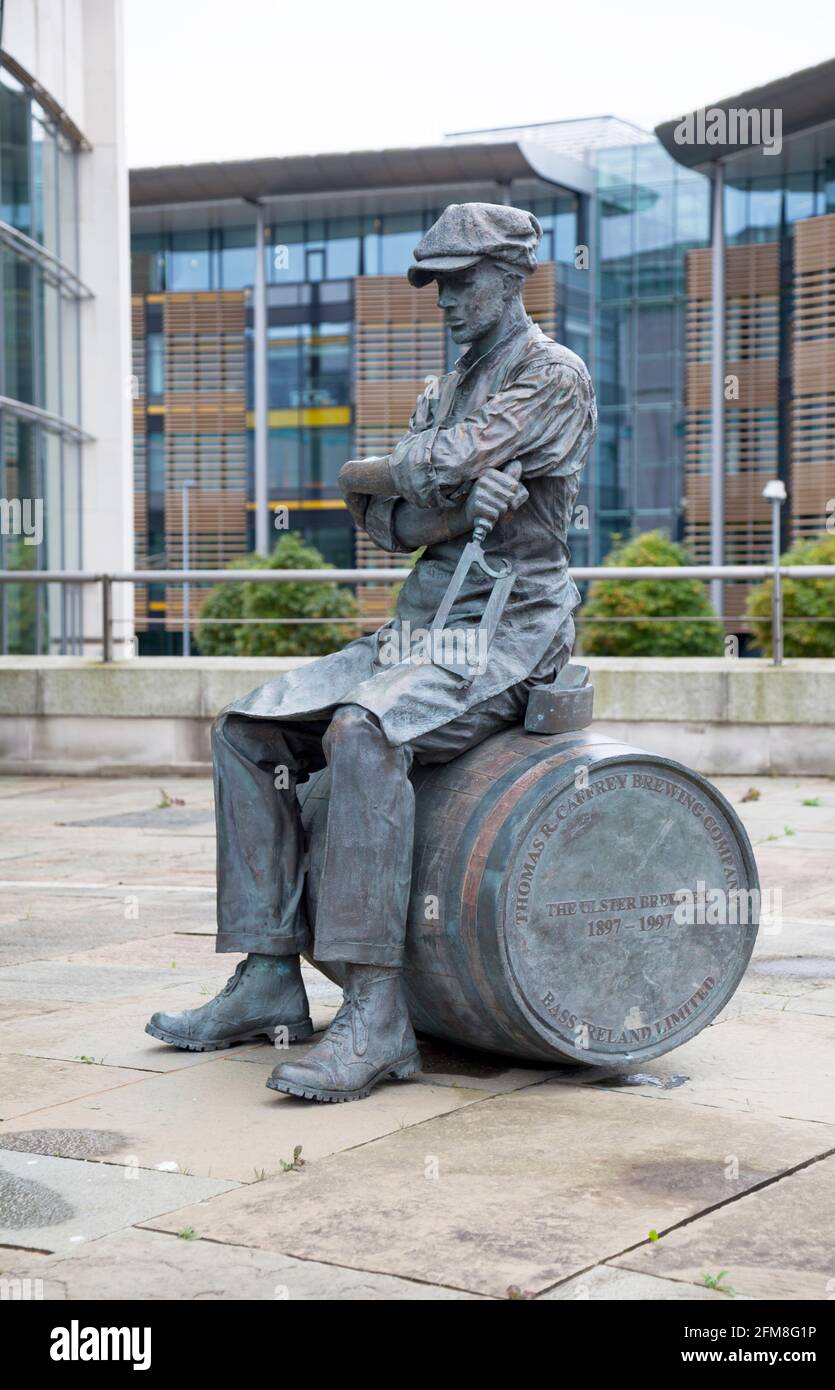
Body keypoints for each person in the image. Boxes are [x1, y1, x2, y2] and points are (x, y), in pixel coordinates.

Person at [145, 202, 597, 1103]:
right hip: (418, 625)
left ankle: (378, 1012)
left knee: (363, 731)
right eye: (435, 283)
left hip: (507, 632)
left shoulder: (553, 376)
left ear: (511, 278)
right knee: (247, 728)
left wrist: (418, 473)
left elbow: (437, 468)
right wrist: (408, 483)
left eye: (462, 280)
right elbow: (395, 520)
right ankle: (271, 977)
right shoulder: (445, 387)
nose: (446, 299)